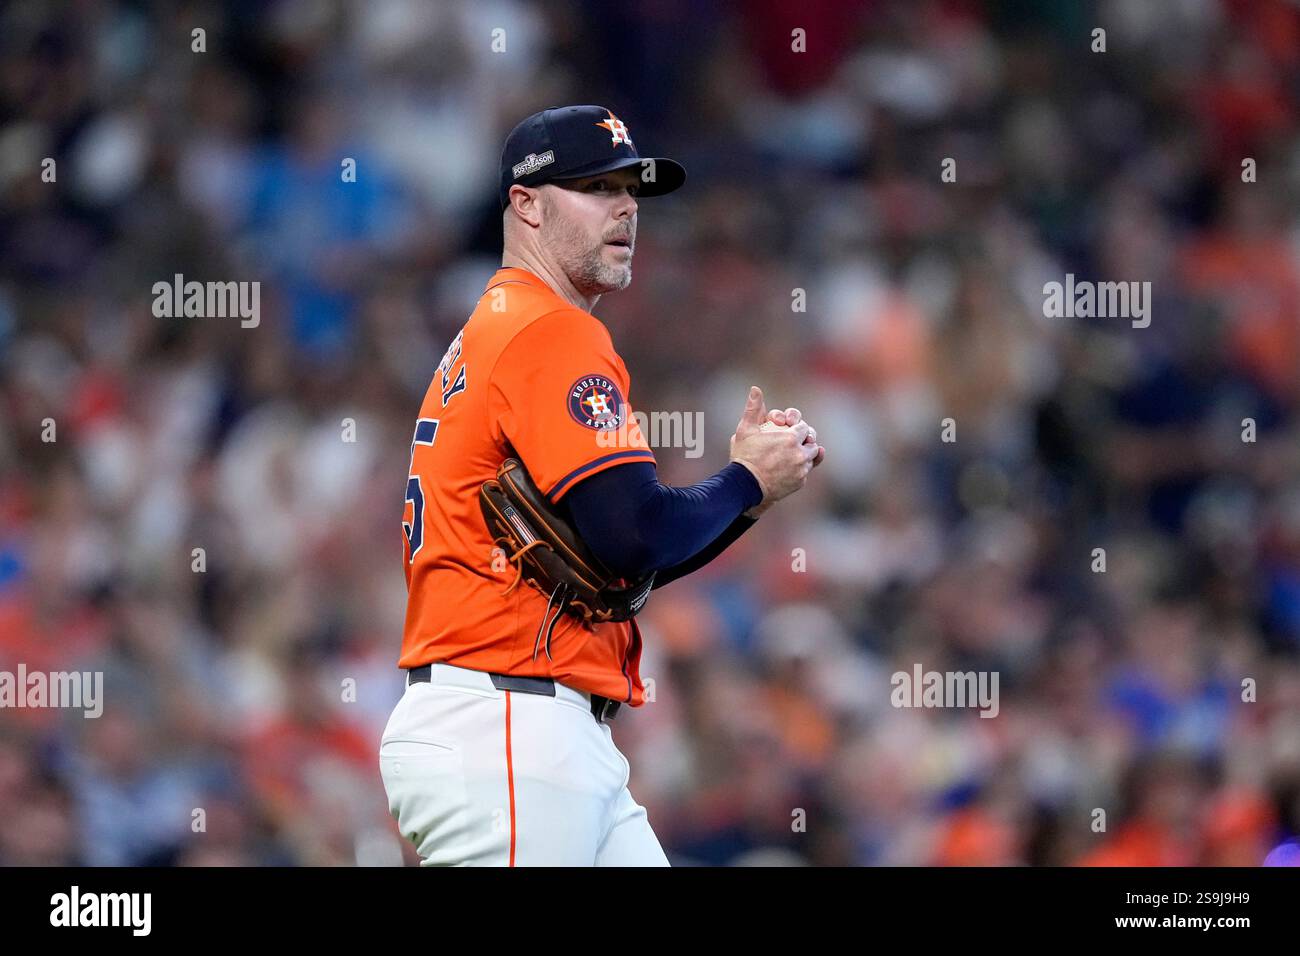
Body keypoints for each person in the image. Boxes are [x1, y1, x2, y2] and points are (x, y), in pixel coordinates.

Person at [378, 105, 824, 866]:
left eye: (631, 188)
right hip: (508, 724)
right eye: (594, 186)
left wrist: (749, 494)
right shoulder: (549, 330)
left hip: (528, 725)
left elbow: (621, 559)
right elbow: (637, 533)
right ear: (526, 204)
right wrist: (746, 478)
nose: (625, 207)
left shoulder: (500, 325)